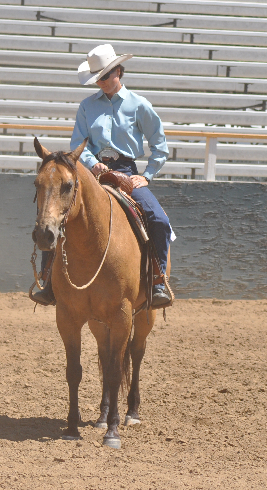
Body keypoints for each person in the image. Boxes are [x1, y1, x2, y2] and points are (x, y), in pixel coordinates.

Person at [31, 44, 173, 308]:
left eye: (106, 76)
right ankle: (48, 280)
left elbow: (160, 145)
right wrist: (92, 163)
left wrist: (148, 175)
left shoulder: (139, 105)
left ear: (119, 71)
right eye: (98, 78)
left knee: (159, 219)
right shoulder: (86, 106)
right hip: (90, 173)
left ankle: (157, 281)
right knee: (56, 212)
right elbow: (77, 144)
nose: (102, 82)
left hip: (127, 174)